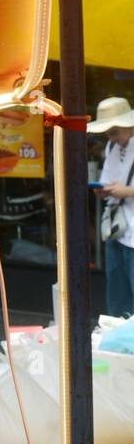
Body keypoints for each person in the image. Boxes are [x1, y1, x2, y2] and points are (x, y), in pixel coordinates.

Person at [88, 97, 134, 316]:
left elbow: (122, 188)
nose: (111, 137)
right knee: (117, 298)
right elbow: (108, 179)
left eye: (114, 131)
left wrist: (124, 191)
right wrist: (103, 190)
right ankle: (120, 344)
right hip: (117, 229)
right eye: (107, 132)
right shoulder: (111, 147)